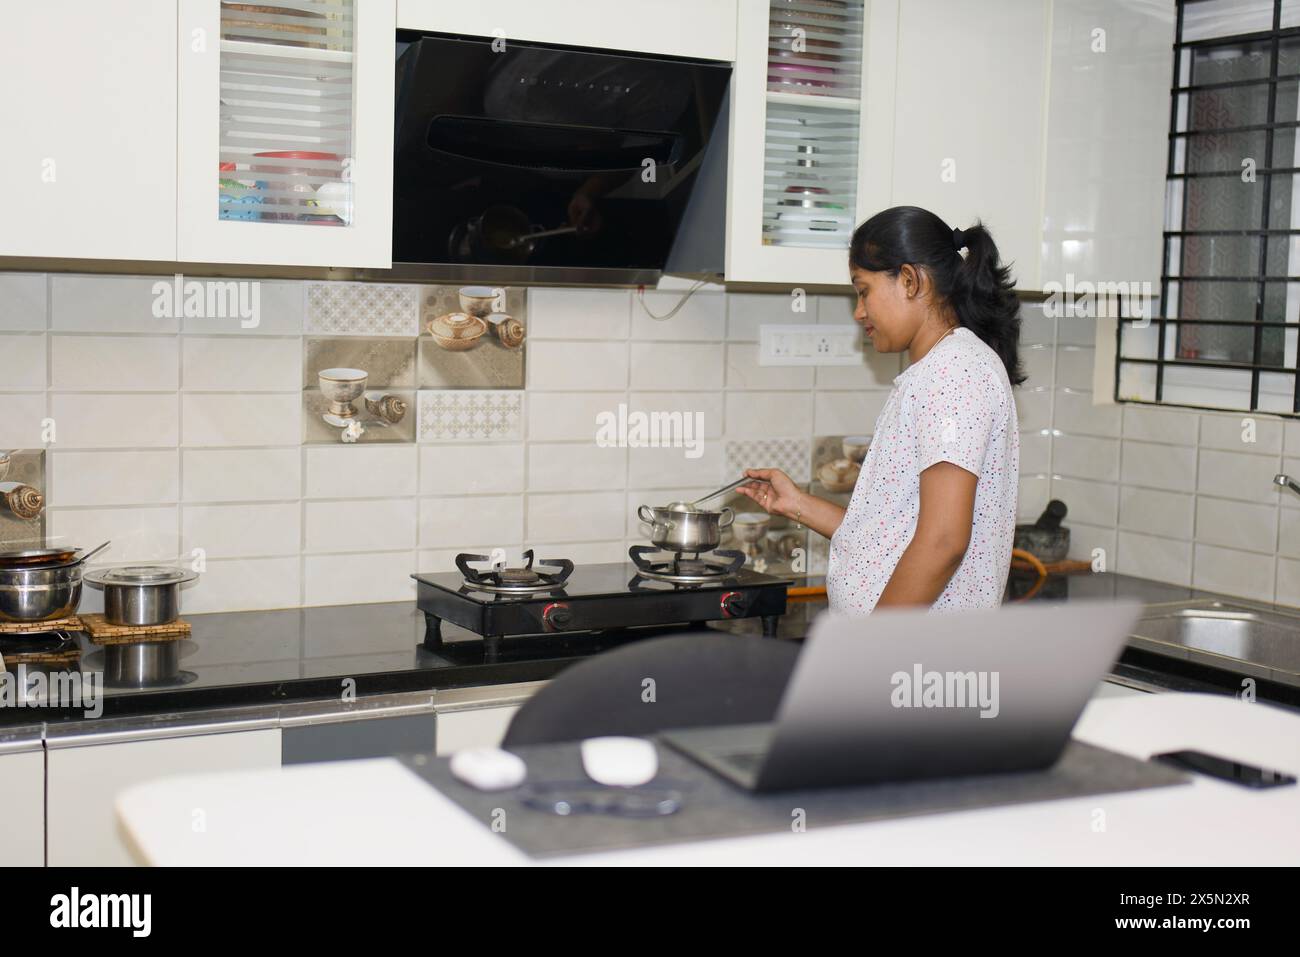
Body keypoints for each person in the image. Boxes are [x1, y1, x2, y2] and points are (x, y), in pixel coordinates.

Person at [739, 205, 1023, 613]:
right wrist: (797, 503)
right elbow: (884, 537)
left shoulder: (954, 371)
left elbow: (943, 540)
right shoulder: (938, 370)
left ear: (909, 280)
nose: (859, 312)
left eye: (863, 290)